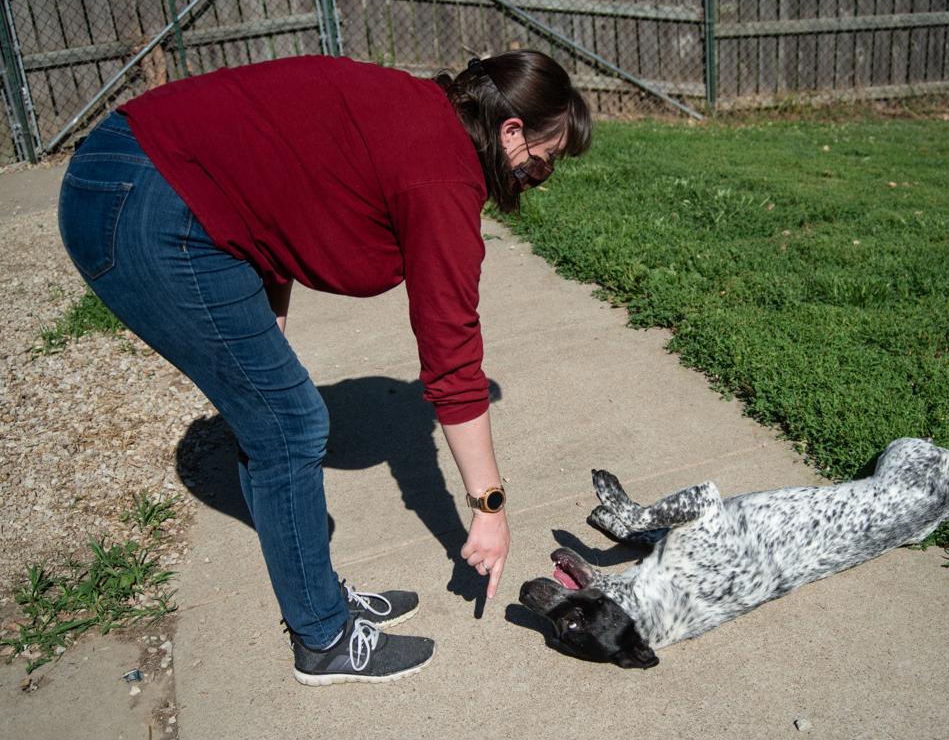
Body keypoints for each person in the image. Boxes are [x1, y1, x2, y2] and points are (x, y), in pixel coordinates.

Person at [56, 50, 591, 685]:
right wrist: (490, 508)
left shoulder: (422, 115)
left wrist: (265, 326)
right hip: (145, 205)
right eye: (544, 160)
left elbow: (278, 201)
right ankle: (322, 639)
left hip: (142, 175)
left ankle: (322, 603)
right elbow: (452, 355)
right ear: (510, 132)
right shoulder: (440, 173)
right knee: (290, 425)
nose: (540, 177)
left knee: (275, 418)